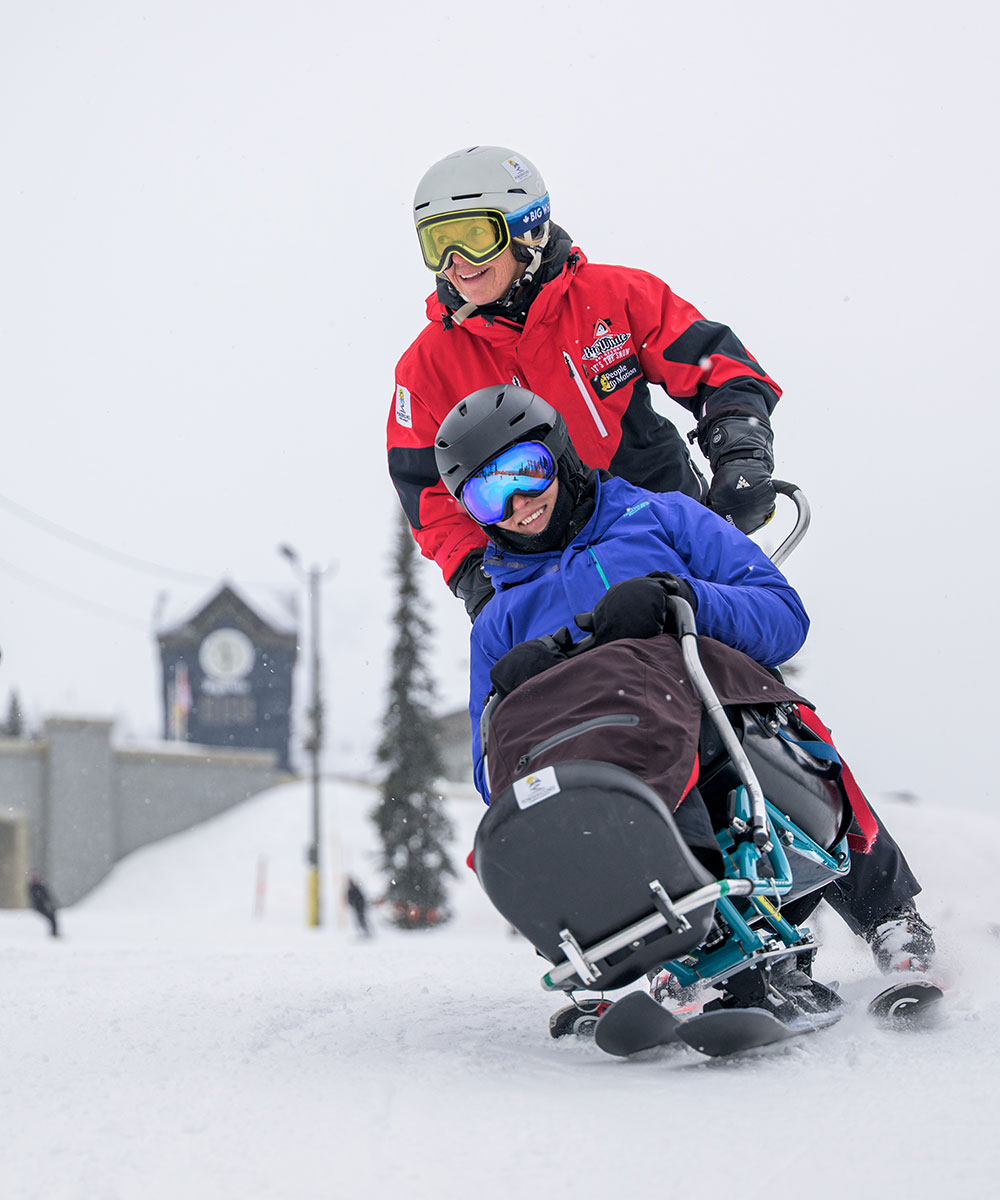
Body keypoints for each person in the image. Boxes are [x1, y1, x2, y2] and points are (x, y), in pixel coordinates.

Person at [433, 383, 935, 975]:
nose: (517, 503)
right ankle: (686, 955)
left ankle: (888, 916)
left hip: (720, 717)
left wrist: (682, 600)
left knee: (712, 739)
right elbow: (492, 771)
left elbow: (783, 616)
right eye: (488, 497)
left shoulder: (661, 517)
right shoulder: (498, 622)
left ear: (560, 454)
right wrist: (530, 697)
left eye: (526, 471)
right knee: (601, 782)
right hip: (612, 788)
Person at [389, 143, 781, 622]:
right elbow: (427, 494)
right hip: (550, 582)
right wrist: (480, 580)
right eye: (437, 244)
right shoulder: (427, 368)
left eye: (474, 236)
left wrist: (740, 453)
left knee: (736, 673)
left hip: (670, 540)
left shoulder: (613, 297)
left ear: (525, 227)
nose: (456, 260)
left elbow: (719, 367)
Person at [27, 872, 59, 937]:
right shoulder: (34, 888)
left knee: (52, 916)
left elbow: (47, 896)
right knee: (51, 917)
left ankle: (54, 932)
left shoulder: (41, 886)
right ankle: (53, 933)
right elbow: (38, 898)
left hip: (42, 906)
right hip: (39, 907)